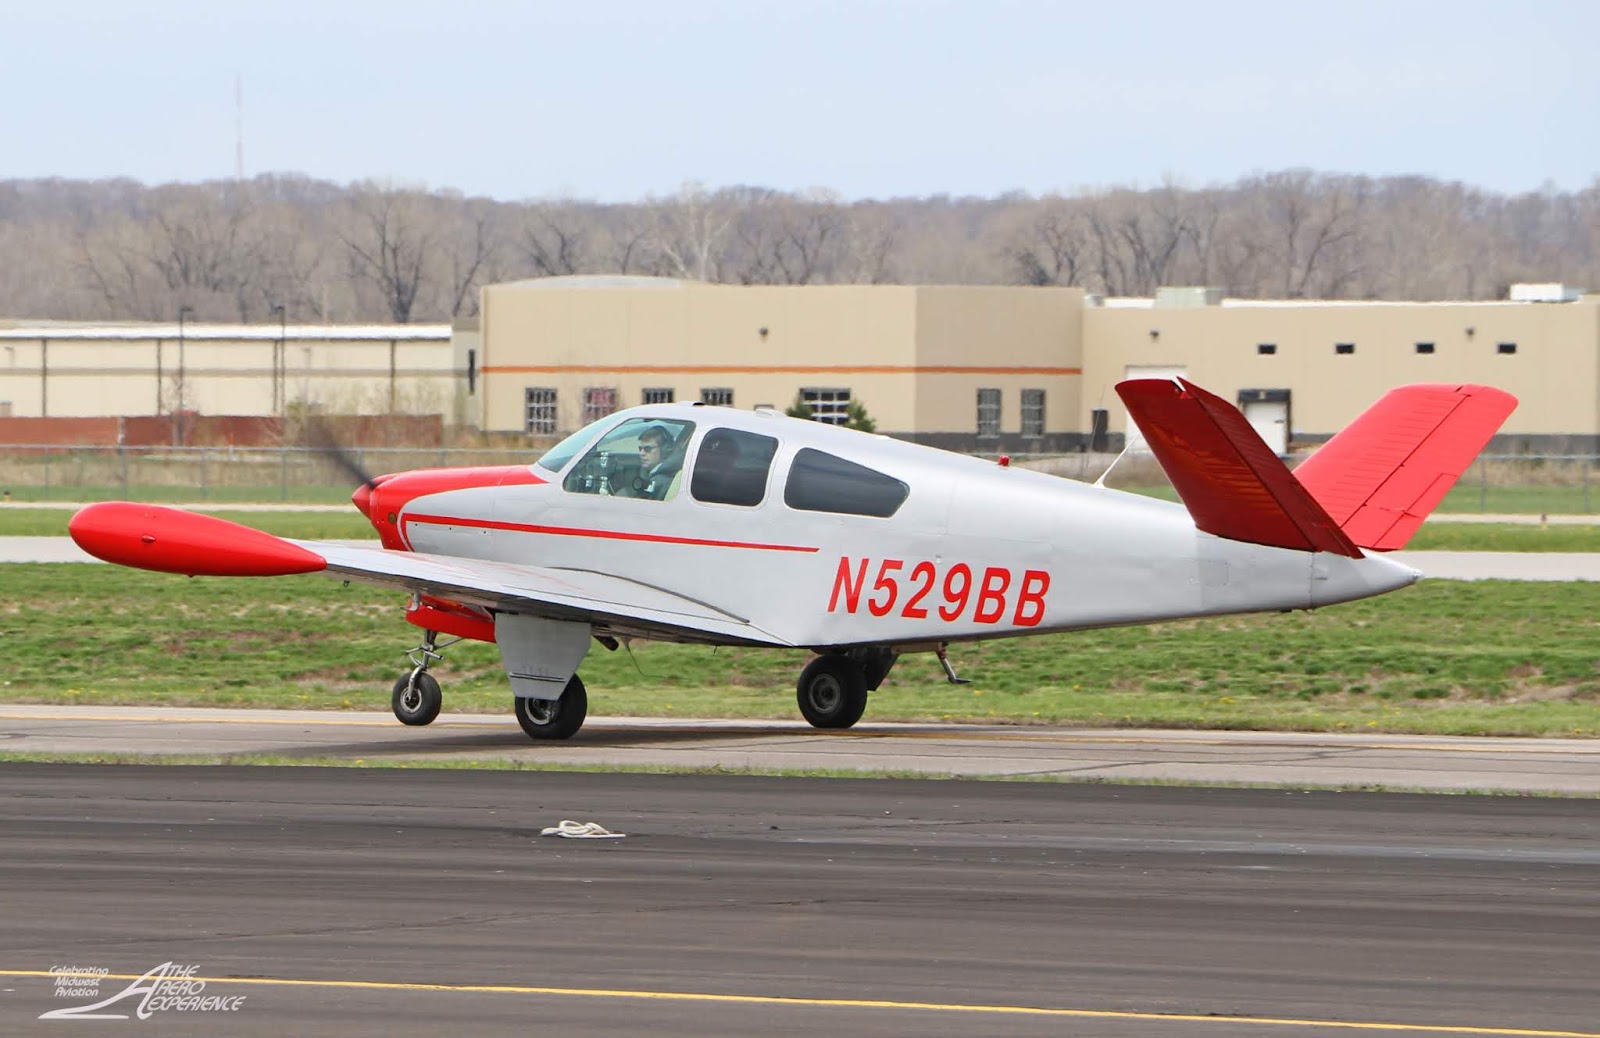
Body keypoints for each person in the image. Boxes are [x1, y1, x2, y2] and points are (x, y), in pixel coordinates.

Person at [632, 425, 683, 500]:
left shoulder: (663, 482)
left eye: (647, 449)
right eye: (640, 449)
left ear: (664, 450)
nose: (641, 453)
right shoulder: (651, 474)